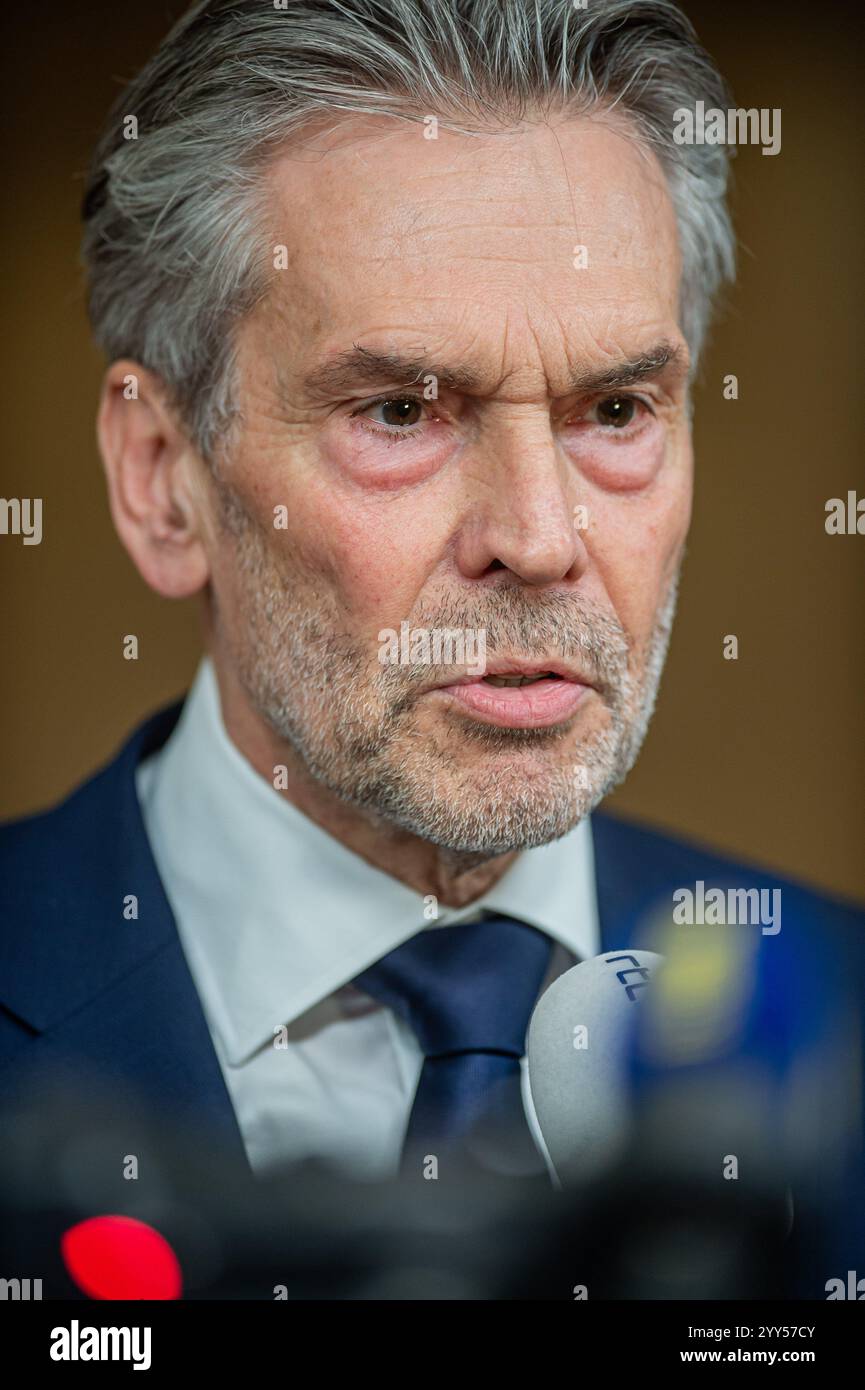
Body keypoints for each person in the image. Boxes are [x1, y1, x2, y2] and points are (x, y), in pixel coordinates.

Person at [1, 1, 862, 1260]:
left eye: (614, 409)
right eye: (401, 413)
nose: (539, 537)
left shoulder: (840, 1017)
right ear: (161, 478)